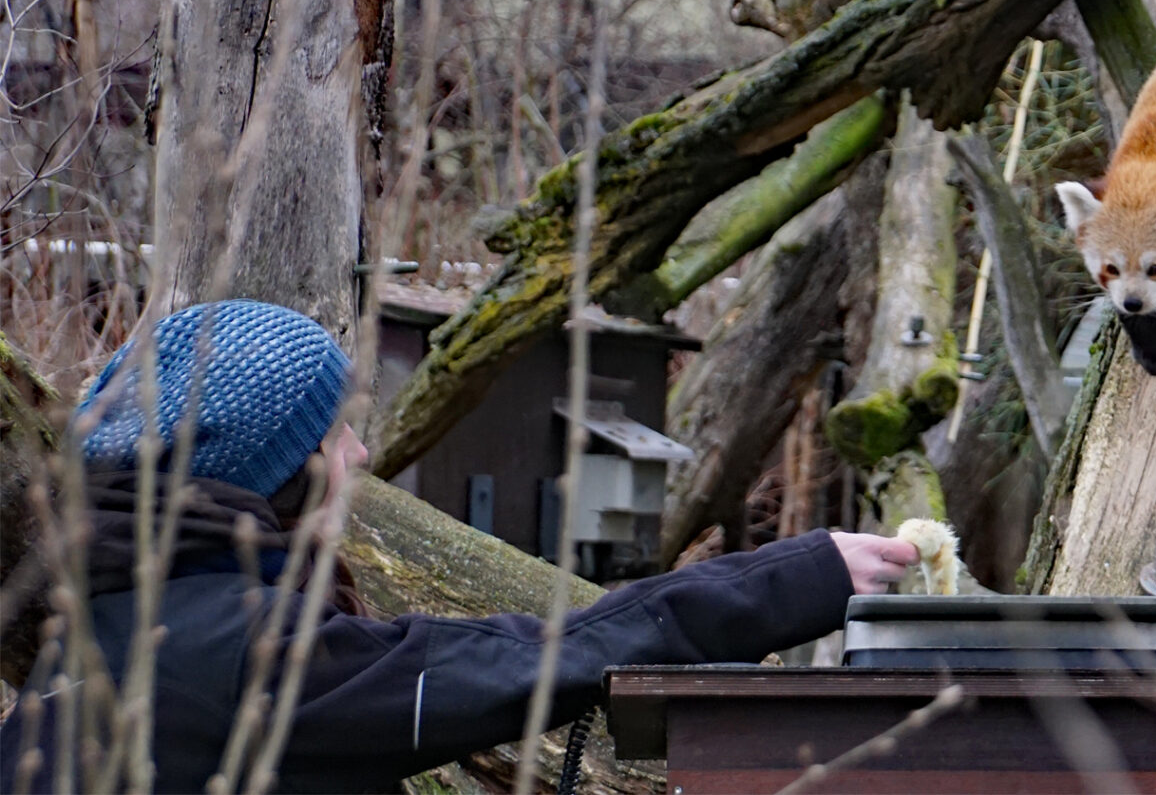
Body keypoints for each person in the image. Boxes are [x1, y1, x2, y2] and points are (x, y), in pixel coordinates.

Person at [0, 300, 919, 794]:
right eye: (338, 432)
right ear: (272, 471)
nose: (361, 455)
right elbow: (549, 657)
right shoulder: (248, 659)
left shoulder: (91, 645)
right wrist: (800, 574)